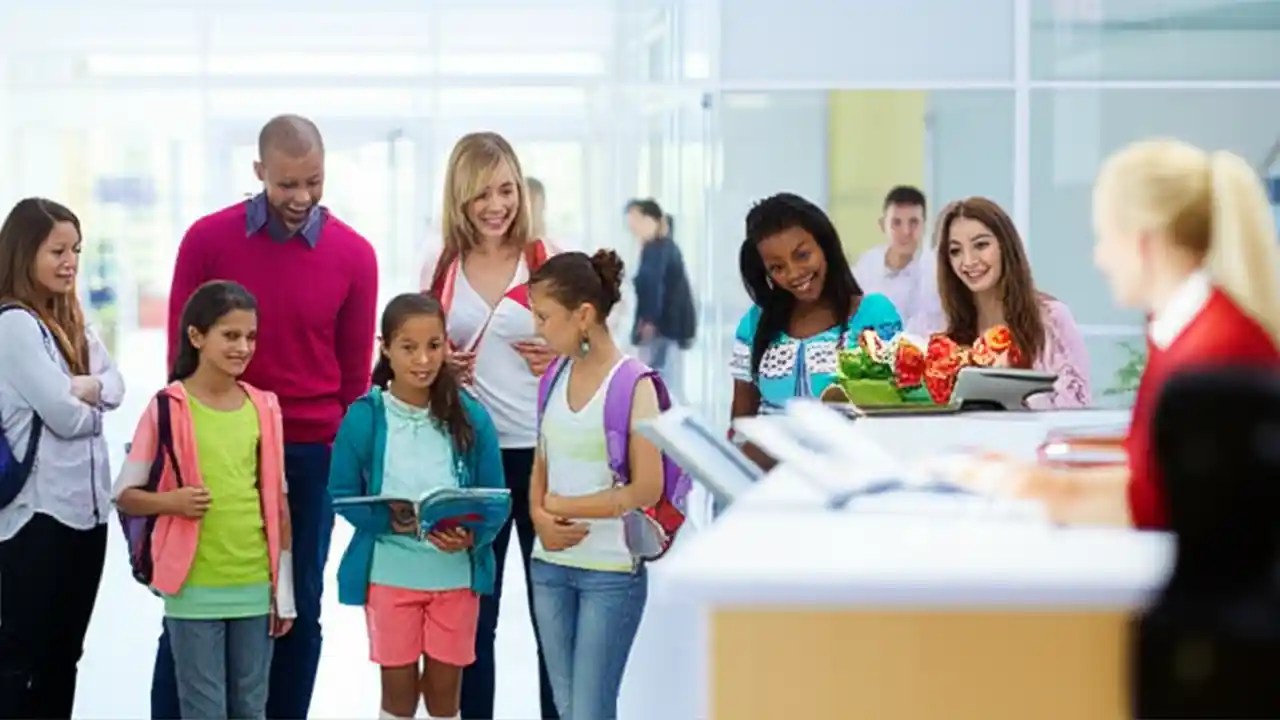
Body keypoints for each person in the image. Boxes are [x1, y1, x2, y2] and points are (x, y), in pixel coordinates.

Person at [160, 114, 378, 720]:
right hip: (218, 442)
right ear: (259, 173)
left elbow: (354, 377)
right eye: (286, 184)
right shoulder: (207, 240)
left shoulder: (355, 255)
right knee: (193, 594)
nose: (301, 198)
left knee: (296, 603)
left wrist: (350, 465)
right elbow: (180, 355)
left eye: (313, 181)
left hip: (309, 455)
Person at [959, 139, 1280, 528]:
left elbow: (1149, 505)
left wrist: (1022, 486)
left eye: (1105, 238)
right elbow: (1154, 478)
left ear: (1144, 243)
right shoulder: (1191, 334)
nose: (1100, 257)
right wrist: (1022, 479)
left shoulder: (1211, 359)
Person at [421, 131, 561, 719]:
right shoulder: (441, 264)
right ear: (460, 197)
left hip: (544, 459)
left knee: (550, 618)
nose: (497, 205)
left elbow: (592, 347)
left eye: (506, 190)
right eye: (482, 194)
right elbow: (413, 349)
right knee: (474, 618)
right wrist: (441, 363)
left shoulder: (546, 259)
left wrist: (558, 351)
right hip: (471, 457)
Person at [114, 281, 296, 720]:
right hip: (193, 586)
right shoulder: (167, 407)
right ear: (196, 337)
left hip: (253, 582)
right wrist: (172, 502)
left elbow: (280, 507)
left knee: (251, 708)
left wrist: (282, 591)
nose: (243, 347)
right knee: (203, 708)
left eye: (250, 336)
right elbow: (124, 495)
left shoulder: (265, 407)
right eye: (230, 335)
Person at [329, 293, 506, 720]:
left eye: (434, 345)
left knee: (445, 698)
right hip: (390, 576)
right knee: (398, 697)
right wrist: (393, 520)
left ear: (447, 345)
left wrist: (471, 535)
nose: (423, 359)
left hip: (454, 576)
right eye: (408, 347)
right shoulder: (365, 417)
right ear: (385, 348)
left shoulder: (471, 417)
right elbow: (342, 493)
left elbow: (495, 499)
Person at [0, 198, 124, 719]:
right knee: (21, 660)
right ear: (25, 252)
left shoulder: (72, 318)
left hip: (88, 514)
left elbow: (115, 387)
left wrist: (86, 389)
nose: (70, 260)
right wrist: (89, 404)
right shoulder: (14, 325)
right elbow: (64, 416)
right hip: (37, 517)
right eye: (57, 250)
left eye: (75, 248)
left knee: (64, 657)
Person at [526, 250, 663, 719]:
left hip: (609, 573)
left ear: (583, 315)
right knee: (566, 709)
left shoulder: (634, 384)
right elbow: (540, 465)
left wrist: (566, 504)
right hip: (548, 567)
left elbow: (647, 489)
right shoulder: (552, 377)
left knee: (589, 712)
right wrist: (540, 516)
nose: (538, 328)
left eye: (544, 317)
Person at [729, 192, 903, 468]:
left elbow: (894, 416)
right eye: (777, 267)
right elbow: (741, 427)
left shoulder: (873, 314)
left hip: (850, 478)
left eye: (802, 255)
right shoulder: (754, 323)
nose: (794, 272)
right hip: (766, 488)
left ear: (825, 246)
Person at [933, 197, 1091, 409]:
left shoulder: (1052, 320)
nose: (968, 261)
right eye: (955, 251)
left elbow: (1078, 408)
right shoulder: (943, 331)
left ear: (1005, 247)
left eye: (981, 245)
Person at [625, 199, 696, 401]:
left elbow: (653, 286)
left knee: (660, 384)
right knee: (665, 381)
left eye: (636, 220)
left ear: (652, 220)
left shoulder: (657, 249)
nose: (632, 226)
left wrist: (649, 320)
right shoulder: (662, 247)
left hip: (662, 328)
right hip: (668, 327)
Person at [852, 185, 943, 334]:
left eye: (914, 222)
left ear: (925, 225)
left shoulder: (937, 270)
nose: (906, 231)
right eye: (896, 223)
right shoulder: (865, 268)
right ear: (883, 225)